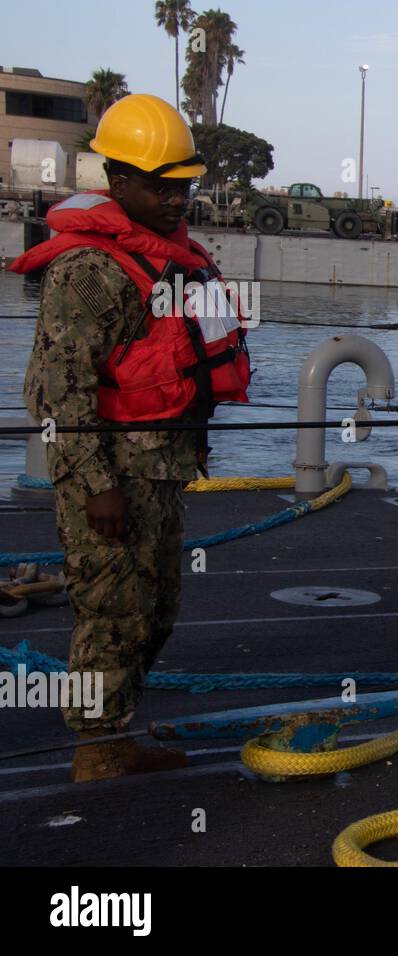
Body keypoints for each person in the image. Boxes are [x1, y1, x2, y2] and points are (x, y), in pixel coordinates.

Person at [11, 93, 251, 781]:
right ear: (117, 184)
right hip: (112, 476)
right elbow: (64, 392)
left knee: (157, 604)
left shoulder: (171, 260)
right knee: (111, 608)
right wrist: (95, 487)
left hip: (161, 468)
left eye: (183, 188)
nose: (177, 202)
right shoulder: (89, 272)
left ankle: (112, 731)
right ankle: (98, 748)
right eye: (159, 188)